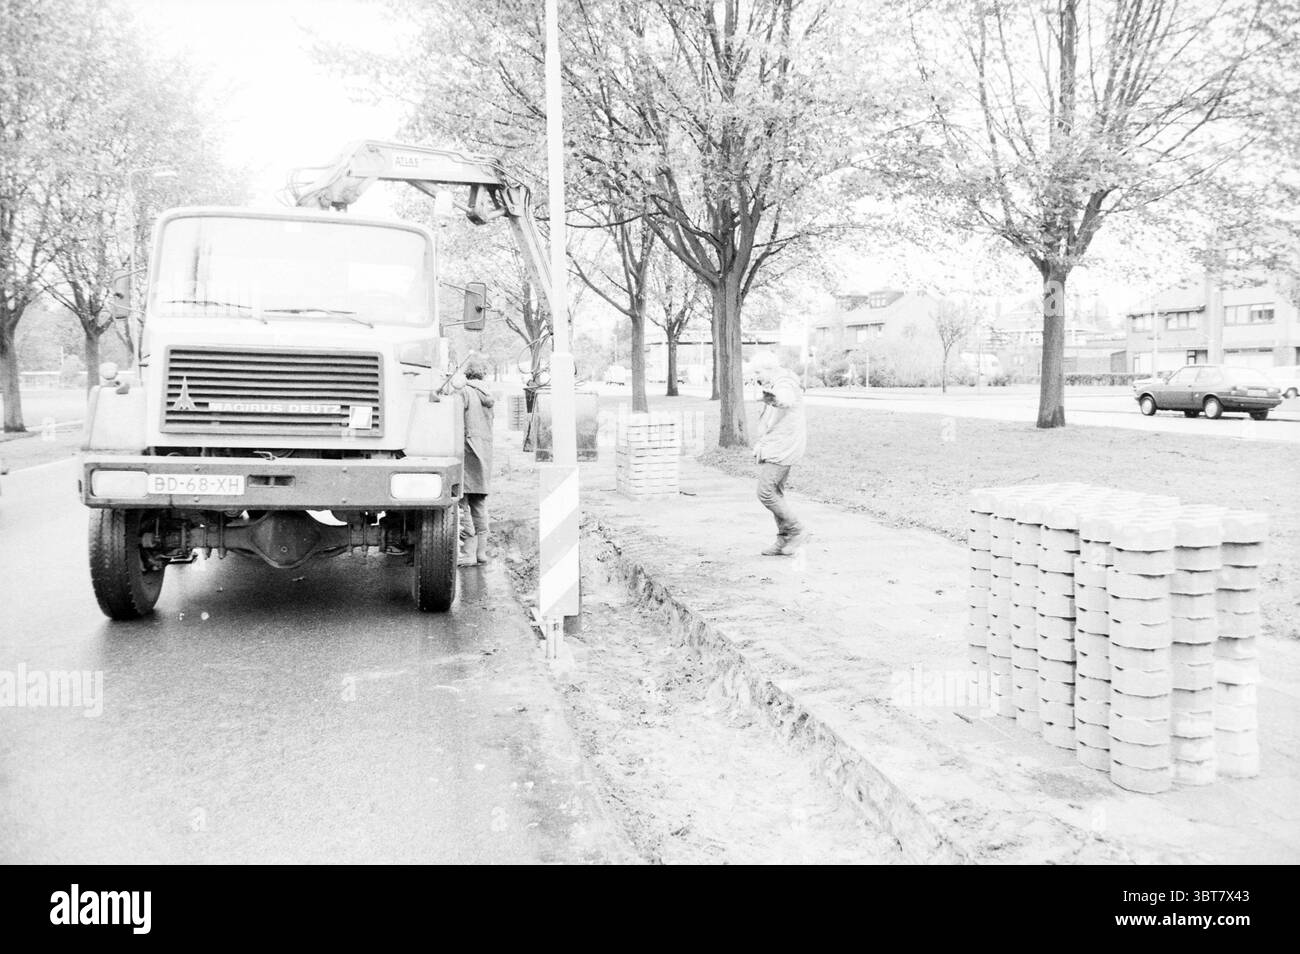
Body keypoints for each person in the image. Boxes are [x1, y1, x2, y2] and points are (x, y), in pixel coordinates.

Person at [752, 353, 810, 556]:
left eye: (758, 372)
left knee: (766, 493)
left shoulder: (784, 383)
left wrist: (775, 399)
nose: (757, 376)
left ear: (770, 369)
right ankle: (784, 538)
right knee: (775, 493)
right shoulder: (779, 381)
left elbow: (785, 400)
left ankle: (796, 530)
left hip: (783, 447)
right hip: (780, 445)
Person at [458, 356, 495, 566]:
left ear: (467, 373)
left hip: (466, 452)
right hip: (484, 454)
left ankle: (468, 554)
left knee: (463, 504)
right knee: (479, 504)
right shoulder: (488, 394)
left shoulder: (465, 392)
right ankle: (482, 553)